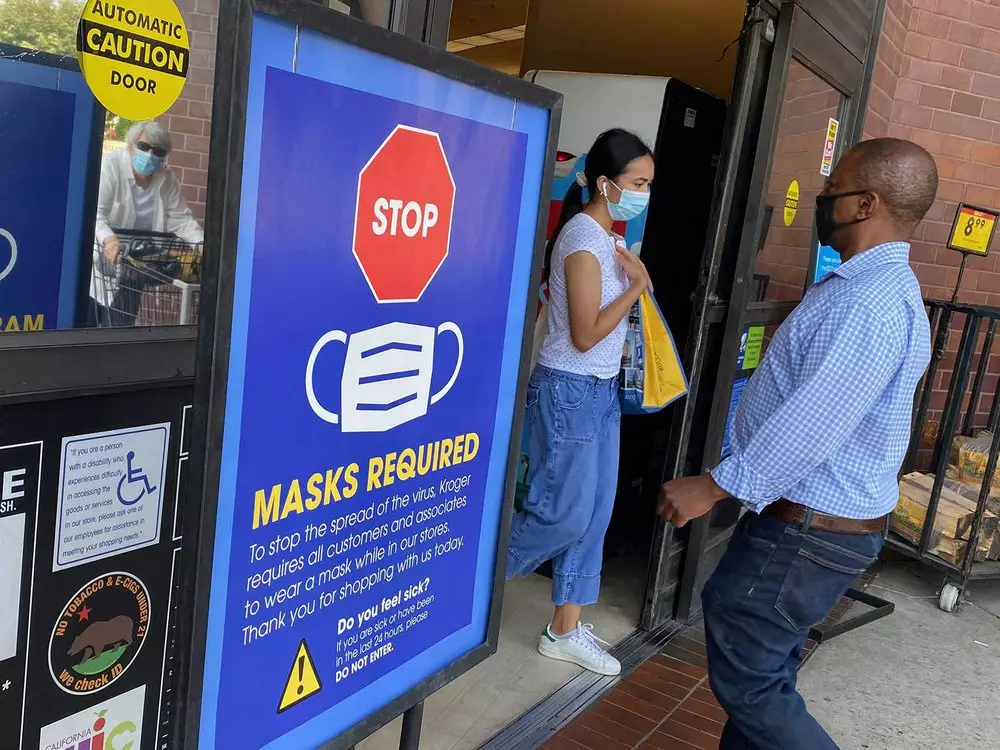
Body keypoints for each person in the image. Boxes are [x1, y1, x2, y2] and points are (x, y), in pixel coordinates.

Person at [657, 137, 938, 749]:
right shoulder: (871, 289)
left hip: (808, 531)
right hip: (821, 526)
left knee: (752, 679)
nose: (821, 197)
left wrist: (714, 486)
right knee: (766, 669)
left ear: (865, 204)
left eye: (831, 187)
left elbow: (813, 422)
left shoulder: (870, 302)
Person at [506, 129, 654, 676]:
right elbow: (586, 333)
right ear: (604, 183)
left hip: (599, 390)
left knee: (593, 515)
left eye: (648, 185)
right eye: (637, 183)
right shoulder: (582, 239)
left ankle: (563, 630)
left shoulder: (608, 239)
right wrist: (637, 288)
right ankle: (465, 587)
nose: (643, 194)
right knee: (560, 516)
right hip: (569, 389)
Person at [91, 121, 203, 326]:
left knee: (120, 330)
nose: (150, 155)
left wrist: (201, 243)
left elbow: (181, 219)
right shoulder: (111, 166)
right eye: (144, 147)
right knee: (87, 326)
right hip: (101, 262)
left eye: (158, 151)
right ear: (131, 145)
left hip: (135, 265)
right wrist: (109, 239)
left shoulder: (166, 179)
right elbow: (96, 213)